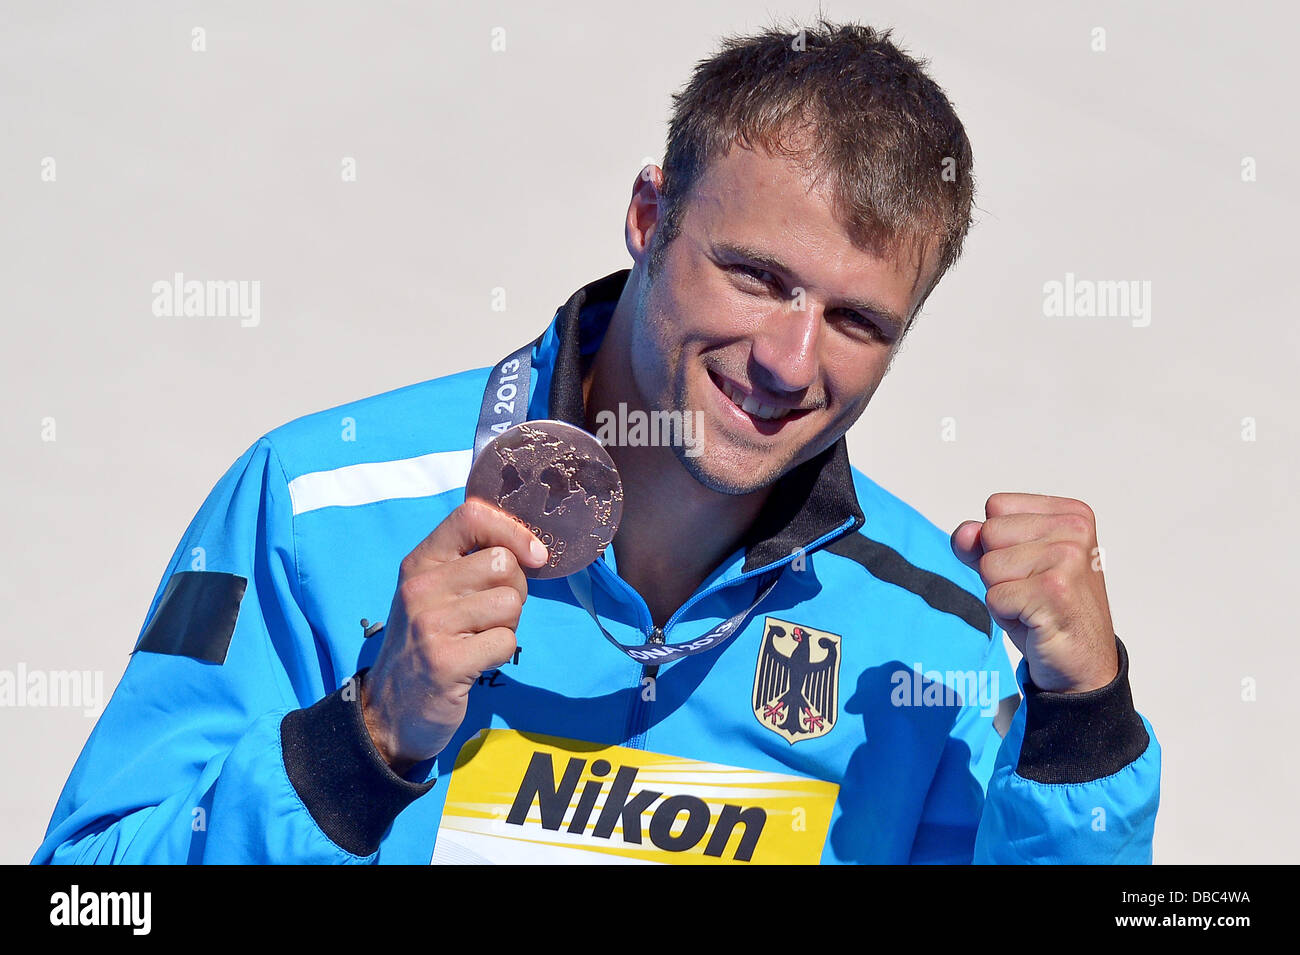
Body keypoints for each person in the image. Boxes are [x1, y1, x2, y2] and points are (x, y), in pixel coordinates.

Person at [34, 20, 1158, 865]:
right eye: (755, 276)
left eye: (858, 320)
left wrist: (1083, 724)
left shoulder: (930, 632)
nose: (787, 361)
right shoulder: (315, 505)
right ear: (647, 216)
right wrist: (361, 740)